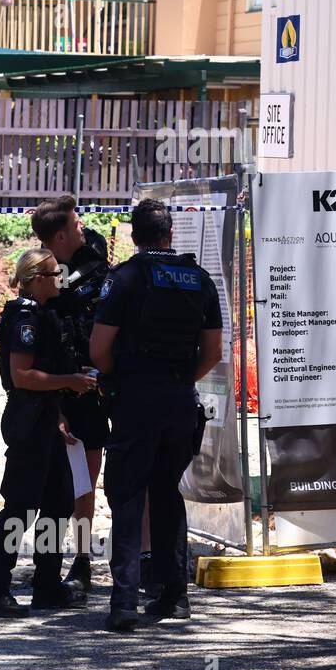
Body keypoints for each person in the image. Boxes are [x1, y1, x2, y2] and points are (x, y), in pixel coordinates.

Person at [90, 199, 223, 632]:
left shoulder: (125, 277)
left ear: (134, 236)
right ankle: (174, 596)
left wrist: (125, 378)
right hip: (180, 402)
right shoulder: (199, 280)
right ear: (170, 235)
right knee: (168, 495)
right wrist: (180, 378)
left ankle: (125, 601)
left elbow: (99, 350)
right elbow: (214, 353)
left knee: (128, 497)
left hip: (136, 400)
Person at [0, 249, 96, 617]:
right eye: (55, 273)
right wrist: (70, 381)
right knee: (21, 506)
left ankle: (47, 584)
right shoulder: (24, 318)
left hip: (47, 418)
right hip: (28, 420)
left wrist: (58, 411)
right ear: (38, 278)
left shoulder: (43, 314)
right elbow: (22, 375)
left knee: (58, 505)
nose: (61, 277)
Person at [31, 195, 112, 592]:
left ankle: (81, 560)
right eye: (76, 223)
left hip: (103, 385)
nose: (84, 226)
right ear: (59, 235)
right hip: (67, 391)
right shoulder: (44, 280)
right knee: (65, 484)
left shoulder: (92, 249)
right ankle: (58, 564)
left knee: (87, 483)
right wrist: (59, 401)